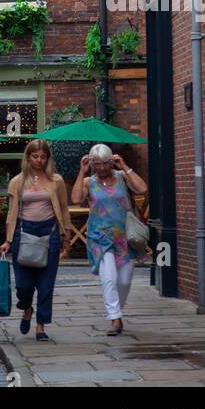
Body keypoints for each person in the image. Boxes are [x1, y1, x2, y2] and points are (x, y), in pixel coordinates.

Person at [71, 143, 148, 336]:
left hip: (124, 237)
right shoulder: (89, 182)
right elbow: (76, 198)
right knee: (109, 278)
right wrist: (82, 172)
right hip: (100, 237)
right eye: (97, 164)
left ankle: (116, 311)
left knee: (124, 281)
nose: (102, 168)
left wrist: (124, 166)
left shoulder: (122, 177)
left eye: (105, 163)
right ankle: (114, 318)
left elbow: (142, 189)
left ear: (111, 162)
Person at [0, 139, 70, 340]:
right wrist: (8, 240)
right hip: (24, 232)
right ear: (28, 157)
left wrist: (67, 236)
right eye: (35, 156)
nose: (39, 160)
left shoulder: (56, 181)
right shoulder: (17, 182)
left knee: (46, 284)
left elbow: (64, 209)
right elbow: (11, 214)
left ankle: (41, 326)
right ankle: (26, 308)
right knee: (23, 285)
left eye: (43, 157)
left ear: (47, 158)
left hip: (50, 232)